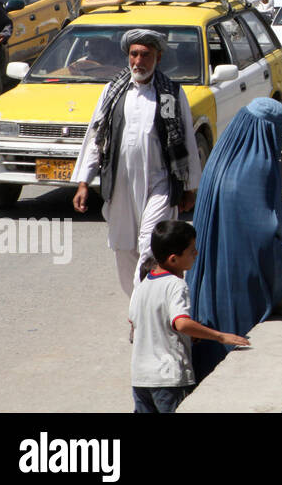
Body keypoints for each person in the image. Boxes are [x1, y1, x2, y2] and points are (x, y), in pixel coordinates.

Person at [187, 97, 282, 381]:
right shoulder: (255, 169)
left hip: (205, 283)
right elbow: (264, 246)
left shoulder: (221, 157)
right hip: (236, 289)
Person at [72, 29, 202, 297]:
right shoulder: (113, 91)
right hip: (120, 182)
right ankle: (138, 306)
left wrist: (190, 187)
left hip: (160, 181)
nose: (138, 61)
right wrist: (84, 182)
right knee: (124, 248)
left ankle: (143, 310)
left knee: (150, 244)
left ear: (158, 57)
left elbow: (187, 140)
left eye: (146, 55)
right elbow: (97, 137)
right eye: (134, 54)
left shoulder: (172, 93)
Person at [129, 220, 250, 413]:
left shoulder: (142, 287)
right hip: (169, 379)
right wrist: (221, 336)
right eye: (192, 251)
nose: (196, 254)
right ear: (173, 259)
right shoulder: (176, 285)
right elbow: (181, 323)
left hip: (140, 378)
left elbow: (136, 323)